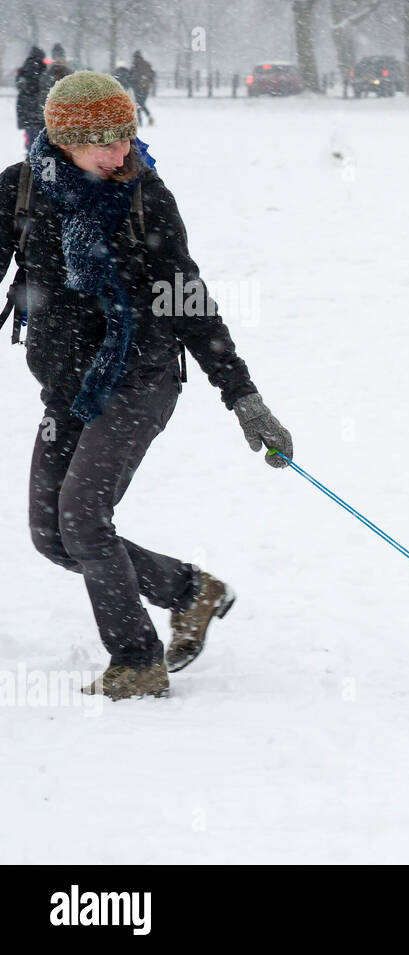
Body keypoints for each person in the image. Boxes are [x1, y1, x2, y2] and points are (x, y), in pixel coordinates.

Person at [0, 72, 295, 700]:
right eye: (102, 141)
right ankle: (191, 591)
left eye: (126, 136)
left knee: (82, 519)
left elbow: (187, 299)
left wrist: (242, 395)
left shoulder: (145, 199)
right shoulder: (20, 193)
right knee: (52, 537)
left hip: (140, 377)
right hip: (67, 386)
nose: (118, 153)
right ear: (63, 140)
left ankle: (137, 662)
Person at [14, 47, 47, 149]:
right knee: (40, 135)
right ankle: (36, 154)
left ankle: (29, 153)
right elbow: (45, 85)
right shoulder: (42, 68)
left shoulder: (23, 69)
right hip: (38, 106)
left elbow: (19, 85)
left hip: (24, 106)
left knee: (30, 133)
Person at [132, 51, 155, 125]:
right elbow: (152, 75)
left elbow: (131, 76)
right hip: (145, 88)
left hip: (138, 88)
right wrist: (149, 82)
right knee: (141, 104)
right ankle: (148, 118)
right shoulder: (146, 64)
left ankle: (140, 121)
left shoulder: (135, 65)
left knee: (139, 104)